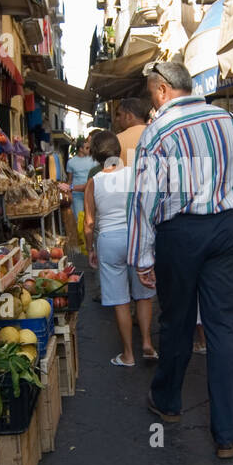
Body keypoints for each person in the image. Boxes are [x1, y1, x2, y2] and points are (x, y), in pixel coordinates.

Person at [129, 54, 233, 460]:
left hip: (180, 234)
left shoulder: (156, 133)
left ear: (162, 90)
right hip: (224, 229)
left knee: (178, 321)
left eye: (152, 93)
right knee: (224, 328)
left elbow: (145, 201)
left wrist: (142, 256)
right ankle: (230, 434)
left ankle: (168, 402)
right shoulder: (229, 121)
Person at [84, 131, 157, 366]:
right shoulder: (134, 175)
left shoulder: (93, 183)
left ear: (95, 155)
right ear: (118, 151)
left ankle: (128, 354)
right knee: (144, 294)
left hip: (108, 240)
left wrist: (90, 249)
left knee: (120, 299)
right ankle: (147, 342)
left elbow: (89, 223)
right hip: (137, 238)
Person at [66, 138, 97, 252]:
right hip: (77, 195)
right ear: (80, 149)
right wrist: (69, 193)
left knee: (91, 219)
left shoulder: (93, 161)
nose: (89, 150)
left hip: (90, 193)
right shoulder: (71, 162)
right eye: (87, 148)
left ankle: (90, 244)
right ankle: (82, 246)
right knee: (79, 219)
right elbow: (70, 179)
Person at [114, 98, 152, 167]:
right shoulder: (157, 134)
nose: (117, 119)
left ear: (129, 116)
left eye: (119, 115)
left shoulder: (117, 140)